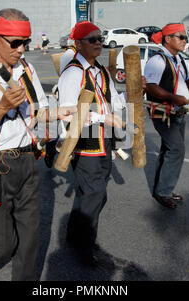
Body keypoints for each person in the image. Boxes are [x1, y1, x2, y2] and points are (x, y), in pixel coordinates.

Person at [0, 8, 69, 281]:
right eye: (15, 43)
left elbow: (36, 112)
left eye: (25, 43)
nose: (22, 50)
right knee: (0, 247)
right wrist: (2, 107)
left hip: (30, 162)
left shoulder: (26, 70)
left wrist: (59, 113)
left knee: (30, 243)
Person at [57, 21, 125, 267]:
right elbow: (66, 112)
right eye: (92, 39)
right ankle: (85, 246)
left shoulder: (101, 71)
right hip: (84, 140)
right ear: (78, 44)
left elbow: (113, 99)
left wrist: (135, 99)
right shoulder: (73, 72)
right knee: (95, 193)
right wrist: (102, 117)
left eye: (100, 39)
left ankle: (75, 237)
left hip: (104, 139)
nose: (99, 43)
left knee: (90, 194)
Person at [144, 23, 189, 209]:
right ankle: (163, 192)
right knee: (176, 149)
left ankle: (162, 189)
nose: (184, 41)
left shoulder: (178, 58)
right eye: (181, 37)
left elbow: (181, 80)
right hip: (163, 111)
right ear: (168, 38)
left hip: (178, 111)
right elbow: (150, 86)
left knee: (168, 149)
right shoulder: (157, 60)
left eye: (185, 38)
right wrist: (174, 97)